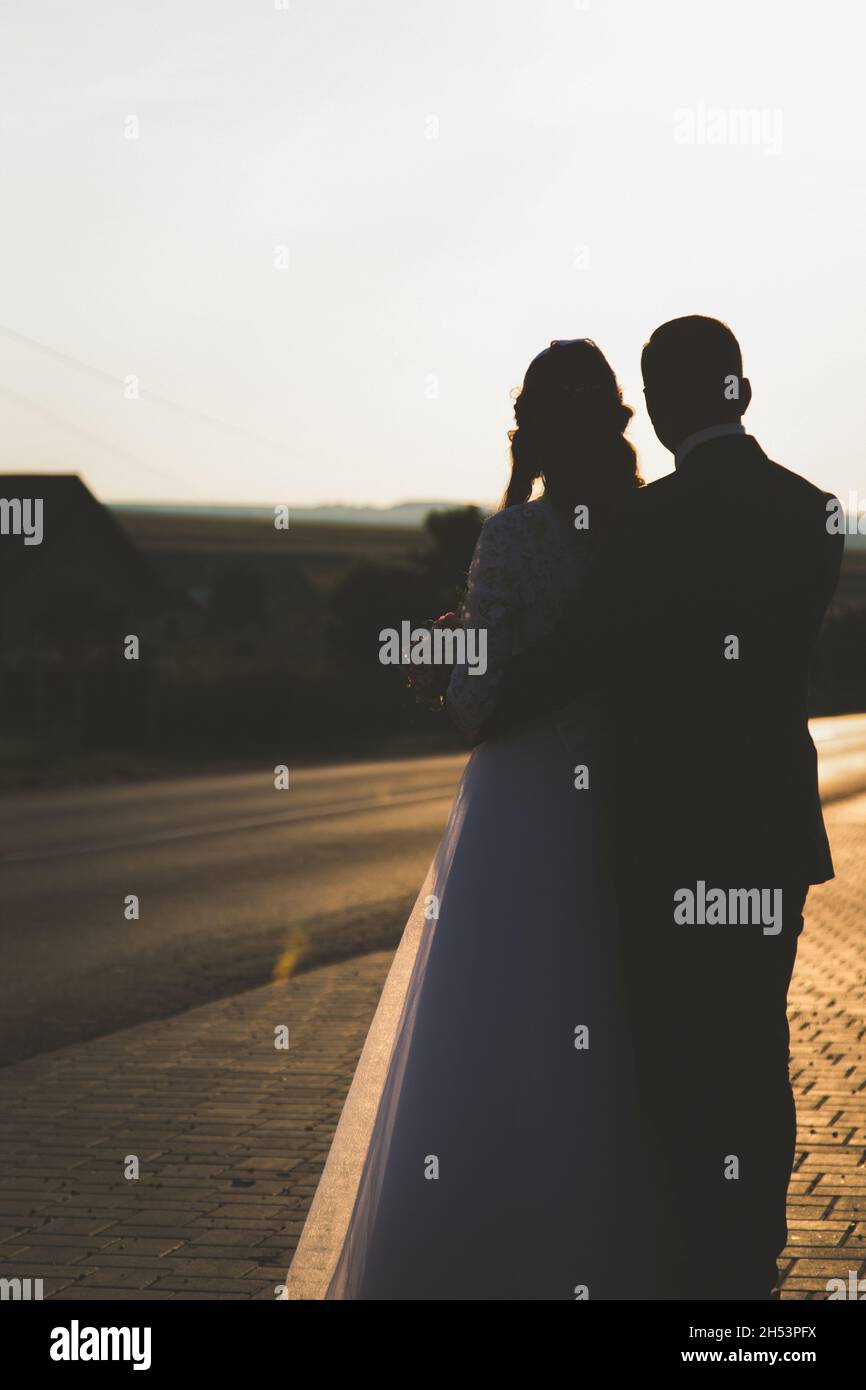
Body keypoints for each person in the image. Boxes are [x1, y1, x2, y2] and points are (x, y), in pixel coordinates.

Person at [491, 316, 844, 1299]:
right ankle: (752, 1260)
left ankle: (702, 1264)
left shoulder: (650, 527)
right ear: (740, 389)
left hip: (670, 844)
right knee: (755, 1043)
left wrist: (474, 682)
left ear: (656, 401)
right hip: (771, 836)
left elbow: (574, 659)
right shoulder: (812, 512)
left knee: (679, 1059)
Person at [324, 340, 672, 1299]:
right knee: (609, 1014)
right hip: (628, 792)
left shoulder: (513, 537)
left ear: (530, 430)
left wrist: (446, 664)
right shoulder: (646, 525)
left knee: (494, 1019)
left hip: (523, 799)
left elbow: (480, 705)